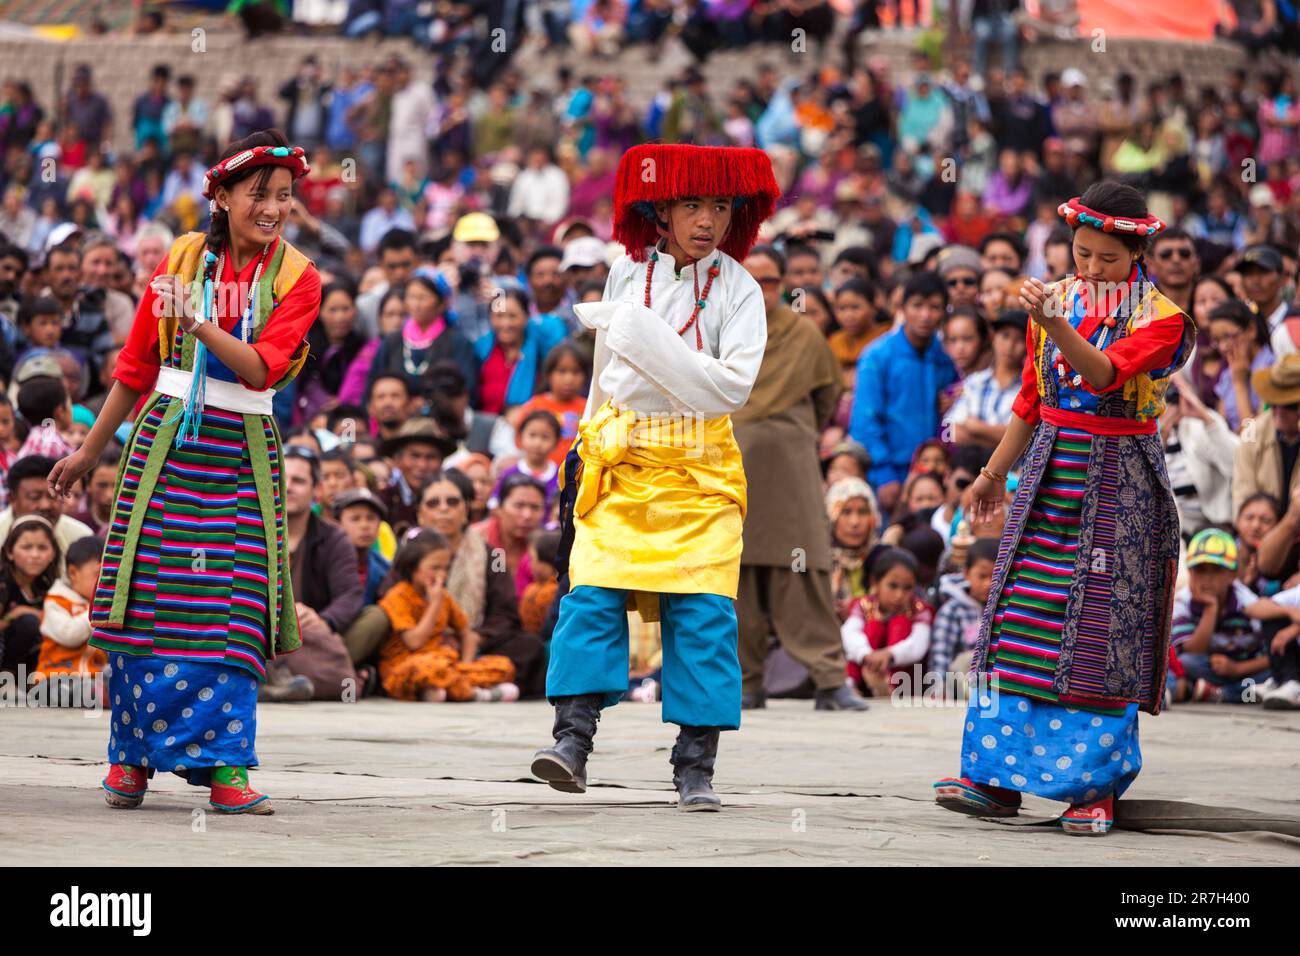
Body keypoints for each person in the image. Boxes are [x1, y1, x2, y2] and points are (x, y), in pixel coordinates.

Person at [49, 129, 322, 815]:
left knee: (231, 611)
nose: (273, 209)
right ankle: (131, 759)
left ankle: (226, 766)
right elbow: (139, 365)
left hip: (244, 452)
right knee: (147, 604)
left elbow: (260, 367)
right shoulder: (180, 257)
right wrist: (88, 450)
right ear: (222, 196)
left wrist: (198, 321)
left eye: (284, 198)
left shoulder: (300, 277)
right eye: (259, 195)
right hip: (165, 444)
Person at [934, 182, 1196, 836]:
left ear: (1136, 252)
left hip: (1119, 482)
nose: (1091, 267)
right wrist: (993, 473)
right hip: (1049, 472)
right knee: (1020, 612)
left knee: (1100, 633)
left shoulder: (1161, 317)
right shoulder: (1055, 299)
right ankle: (994, 779)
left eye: (1107, 257)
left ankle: (1092, 789)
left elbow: (1105, 374)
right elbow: (1032, 398)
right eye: (1082, 253)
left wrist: (1053, 321)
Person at [530, 143, 778, 811]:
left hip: (701, 466)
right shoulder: (624, 274)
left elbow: (729, 391)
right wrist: (581, 448)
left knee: (703, 613)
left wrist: (641, 334)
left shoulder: (742, 290)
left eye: (721, 206)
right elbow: (604, 375)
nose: (707, 220)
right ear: (660, 209)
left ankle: (695, 764)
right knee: (591, 596)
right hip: (623, 456)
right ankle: (572, 741)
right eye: (692, 204)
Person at [734, 244, 866, 712]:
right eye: (751, 280)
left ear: (783, 286)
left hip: (791, 469)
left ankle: (830, 680)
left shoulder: (804, 335)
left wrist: (787, 430)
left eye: (769, 281)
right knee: (737, 576)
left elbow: (827, 396)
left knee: (803, 570)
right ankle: (746, 683)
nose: (760, 290)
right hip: (733, 469)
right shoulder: (719, 333)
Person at [849, 271, 959, 514]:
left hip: (936, 473)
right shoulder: (877, 356)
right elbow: (864, 422)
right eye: (917, 306)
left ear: (944, 312)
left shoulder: (945, 357)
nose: (925, 315)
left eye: (934, 307)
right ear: (902, 308)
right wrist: (885, 474)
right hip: (891, 472)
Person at [377, 529, 519, 702]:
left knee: (503, 666)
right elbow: (414, 642)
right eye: (434, 568)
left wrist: (465, 665)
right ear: (413, 567)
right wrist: (435, 604)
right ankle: (475, 694)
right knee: (426, 669)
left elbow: (466, 633)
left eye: (446, 568)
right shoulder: (397, 596)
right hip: (407, 664)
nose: (441, 575)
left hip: (444, 663)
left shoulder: (443, 596)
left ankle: (450, 688)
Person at [1170, 529, 1274, 704]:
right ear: (1190, 571)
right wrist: (1211, 609)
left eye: (1216, 570)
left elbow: (1271, 655)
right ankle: (1228, 693)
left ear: (1232, 575)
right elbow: (1192, 652)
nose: (1207, 579)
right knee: (1187, 662)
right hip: (1209, 669)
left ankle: (1218, 693)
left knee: (1274, 673)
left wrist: (1237, 669)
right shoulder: (1183, 601)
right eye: (1200, 570)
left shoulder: (1247, 602)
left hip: (1245, 669)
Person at [841, 548, 933, 698]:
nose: (899, 595)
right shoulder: (863, 605)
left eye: (907, 588)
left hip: (905, 680)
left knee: (900, 624)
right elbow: (849, 633)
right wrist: (866, 655)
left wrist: (889, 654)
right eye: (893, 586)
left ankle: (890, 685)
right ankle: (851, 686)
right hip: (866, 665)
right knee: (873, 627)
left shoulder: (919, 610)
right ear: (875, 582)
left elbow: (918, 644)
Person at [33, 533, 105, 692]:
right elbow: (69, 635)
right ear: (73, 573)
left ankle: (101, 692)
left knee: (113, 678)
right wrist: (95, 613)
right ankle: (99, 694)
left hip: (92, 675)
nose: (103, 582)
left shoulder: (103, 606)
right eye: (98, 575)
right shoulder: (56, 601)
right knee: (60, 690)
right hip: (55, 676)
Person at [929, 537, 999, 695]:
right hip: (960, 690)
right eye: (982, 576)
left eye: (995, 577)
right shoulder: (952, 611)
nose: (988, 584)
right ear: (966, 574)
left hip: (997, 687)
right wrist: (938, 691)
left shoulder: (1006, 610)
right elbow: (941, 656)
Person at [0, 514, 59, 676]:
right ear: (9, 552)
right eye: (27, 547)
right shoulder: (3, 584)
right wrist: (14, 615)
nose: (35, 555)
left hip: (32, 663)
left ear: (53, 553)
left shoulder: (47, 586)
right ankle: (7, 676)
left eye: (42, 548)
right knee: (28, 623)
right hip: (4, 657)